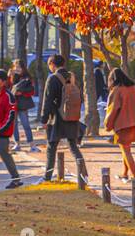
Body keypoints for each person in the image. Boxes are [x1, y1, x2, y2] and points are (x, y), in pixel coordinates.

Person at [40, 53, 85, 182]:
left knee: (51, 147)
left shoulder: (53, 78)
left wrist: (44, 119)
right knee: (73, 146)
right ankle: (83, 175)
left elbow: (47, 100)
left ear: (52, 65)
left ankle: (47, 177)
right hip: (72, 116)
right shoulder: (72, 76)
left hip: (57, 118)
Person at [105, 66, 135, 182]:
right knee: (126, 149)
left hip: (122, 124)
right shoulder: (134, 88)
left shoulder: (117, 90)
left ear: (113, 79)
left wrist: (108, 125)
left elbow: (112, 110)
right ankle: (125, 173)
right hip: (134, 122)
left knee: (126, 150)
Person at [8, 59, 37, 152]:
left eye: (19, 67)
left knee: (26, 124)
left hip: (23, 104)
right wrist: (9, 76)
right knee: (14, 125)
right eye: (16, 67)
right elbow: (7, 88)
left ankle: (32, 144)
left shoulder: (27, 77)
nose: (17, 69)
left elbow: (32, 91)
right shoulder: (12, 76)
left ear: (23, 68)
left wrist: (22, 93)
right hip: (13, 104)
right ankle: (17, 144)